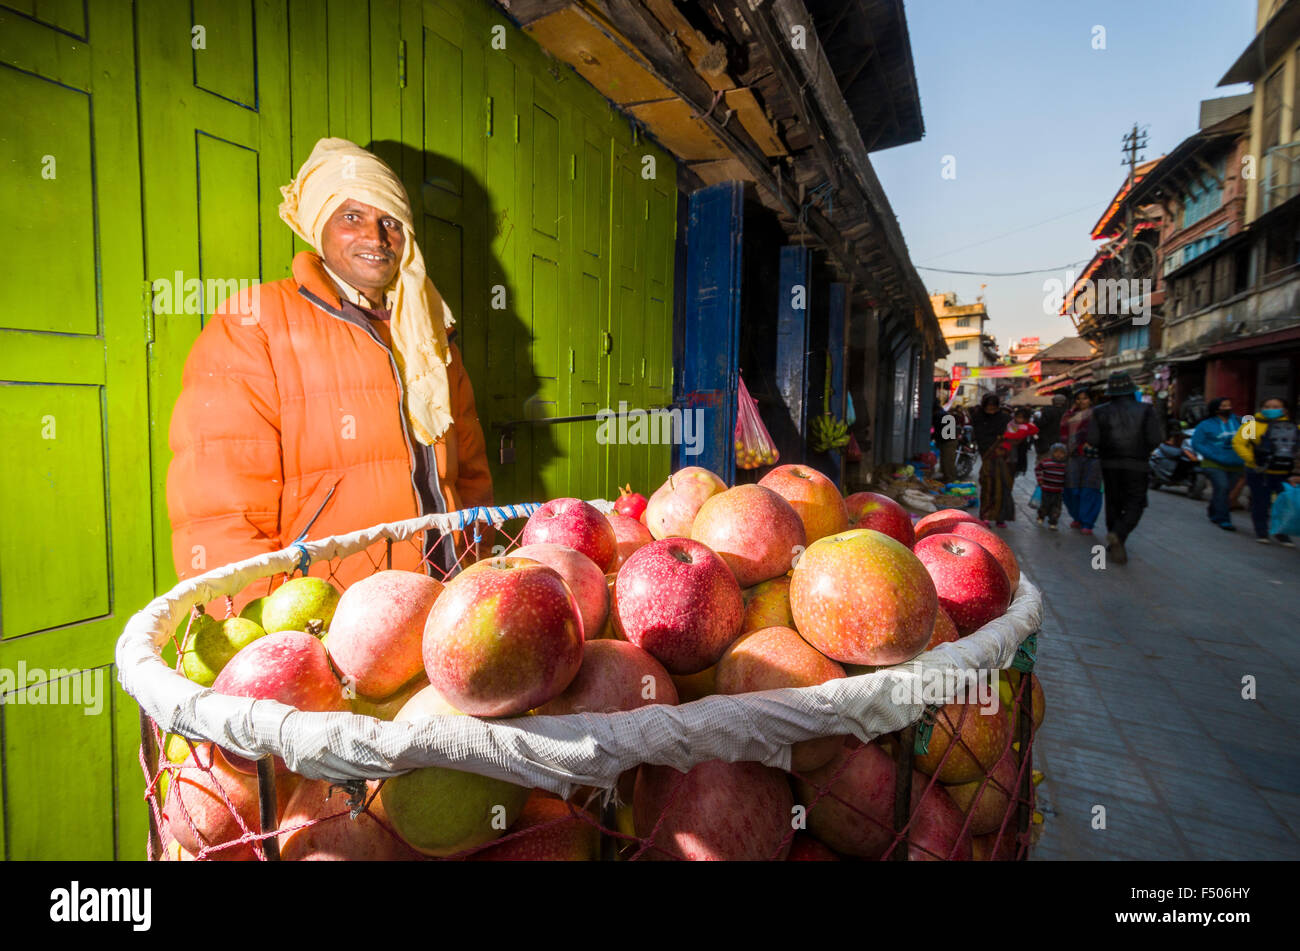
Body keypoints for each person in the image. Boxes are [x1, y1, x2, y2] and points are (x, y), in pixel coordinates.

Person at [167, 137, 495, 603]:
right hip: (329, 611)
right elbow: (220, 511)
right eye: (351, 217)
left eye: (390, 221)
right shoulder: (254, 322)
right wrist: (261, 630)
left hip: (445, 596)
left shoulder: (431, 331)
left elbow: (471, 474)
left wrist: (475, 571)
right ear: (318, 224)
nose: (376, 237)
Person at [1086, 371, 1164, 565]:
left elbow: (1092, 440)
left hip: (1109, 463)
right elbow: (1155, 439)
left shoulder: (1100, 411)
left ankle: (1115, 543)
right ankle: (1118, 534)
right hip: (1138, 463)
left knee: (1113, 502)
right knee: (1136, 502)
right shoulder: (1146, 410)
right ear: (1131, 389)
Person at [1232, 397, 1298, 545]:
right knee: (1260, 502)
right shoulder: (1253, 425)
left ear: (1284, 410)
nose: (1271, 409)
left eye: (1275, 406)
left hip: (1284, 472)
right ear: (1261, 408)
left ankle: (1282, 533)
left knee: (1285, 504)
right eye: (1267, 406)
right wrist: (1252, 460)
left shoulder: (1292, 426)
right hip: (1259, 471)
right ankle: (1262, 531)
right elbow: (1239, 443)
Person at [1190, 397, 1243, 531]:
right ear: (1215, 408)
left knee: (1225, 490)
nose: (1226, 408)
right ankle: (1224, 519)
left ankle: (1214, 509)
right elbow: (1197, 443)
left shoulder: (1241, 421)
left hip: (1236, 462)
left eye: (1228, 405)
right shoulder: (1205, 424)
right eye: (1223, 406)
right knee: (1222, 487)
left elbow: (1252, 438)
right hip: (1213, 463)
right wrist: (1212, 455)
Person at [1060, 388, 1102, 535]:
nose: (1081, 401)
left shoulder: (1097, 414)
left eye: (1084, 398)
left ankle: (1088, 522)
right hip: (1072, 455)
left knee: (1090, 488)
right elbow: (1063, 434)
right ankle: (1077, 516)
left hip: (1093, 456)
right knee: (1071, 487)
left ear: (1091, 400)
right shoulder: (1068, 415)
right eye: (1078, 398)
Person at [972, 393, 1014, 527]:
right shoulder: (978, 418)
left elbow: (1012, 436)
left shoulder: (1005, 419)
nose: (991, 410)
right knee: (987, 487)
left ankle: (1000, 517)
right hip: (987, 457)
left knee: (1003, 487)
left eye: (993, 408)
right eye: (988, 407)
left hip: (1003, 459)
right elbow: (979, 436)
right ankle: (985, 516)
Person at [1034, 442, 1068, 530]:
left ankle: (1053, 522)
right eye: (1057, 452)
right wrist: (1040, 479)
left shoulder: (1065, 466)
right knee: (1044, 505)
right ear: (1052, 453)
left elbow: (1067, 477)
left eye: (1062, 453)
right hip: (1046, 489)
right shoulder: (1046, 463)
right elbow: (1037, 469)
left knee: (1056, 507)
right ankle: (1041, 516)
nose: (1059, 455)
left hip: (1058, 491)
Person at [933, 399, 959, 483]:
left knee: (947, 461)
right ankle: (947, 478)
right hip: (949, 440)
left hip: (948, 441)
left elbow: (938, 430)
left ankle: (950, 480)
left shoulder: (938, 415)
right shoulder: (943, 413)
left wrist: (933, 438)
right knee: (946, 461)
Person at [1009, 408, 1036, 476]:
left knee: (1021, 454)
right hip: (1012, 443)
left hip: (1022, 443)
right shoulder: (1012, 423)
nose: (1021, 420)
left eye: (1024, 418)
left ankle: (1020, 469)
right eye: (1019, 417)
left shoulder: (1028, 425)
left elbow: (1034, 433)